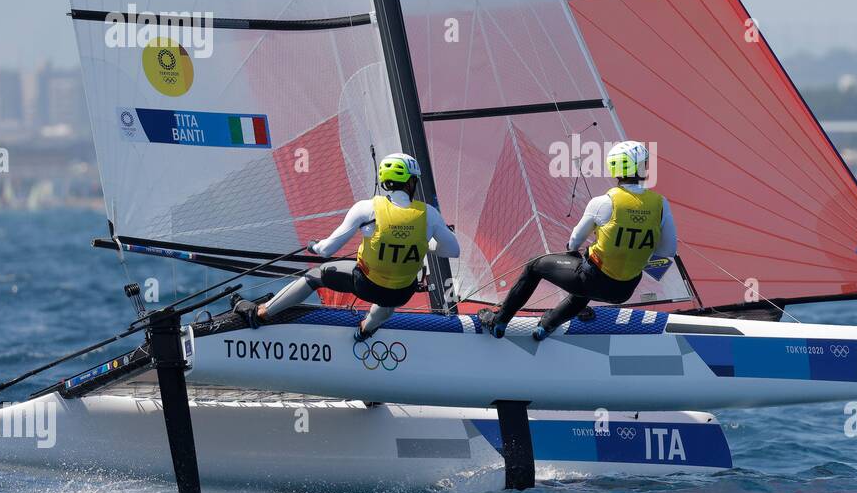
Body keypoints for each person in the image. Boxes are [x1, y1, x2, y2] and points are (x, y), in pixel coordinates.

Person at [234, 153, 460, 342]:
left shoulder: (367, 208)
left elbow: (326, 251)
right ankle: (366, 330)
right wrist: (423, 244)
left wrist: (314, 246)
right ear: (412, 182)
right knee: (391, 297)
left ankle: (261, 313)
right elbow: (452, 251)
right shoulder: (429, 214)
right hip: (402, 293)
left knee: (314, 277)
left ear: (385, 182)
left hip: (366, 285)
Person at [479, 140, 675, 341]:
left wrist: (577, 253)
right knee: (584, 283)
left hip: (591, 280)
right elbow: (668, 250)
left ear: (614, 168)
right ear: (643, 167)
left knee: (536, 266)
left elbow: (574, 242)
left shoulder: (603, 202)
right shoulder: (661, 204)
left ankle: (498, 322)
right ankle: (545, 327)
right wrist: (632, 263)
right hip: (624, 291)